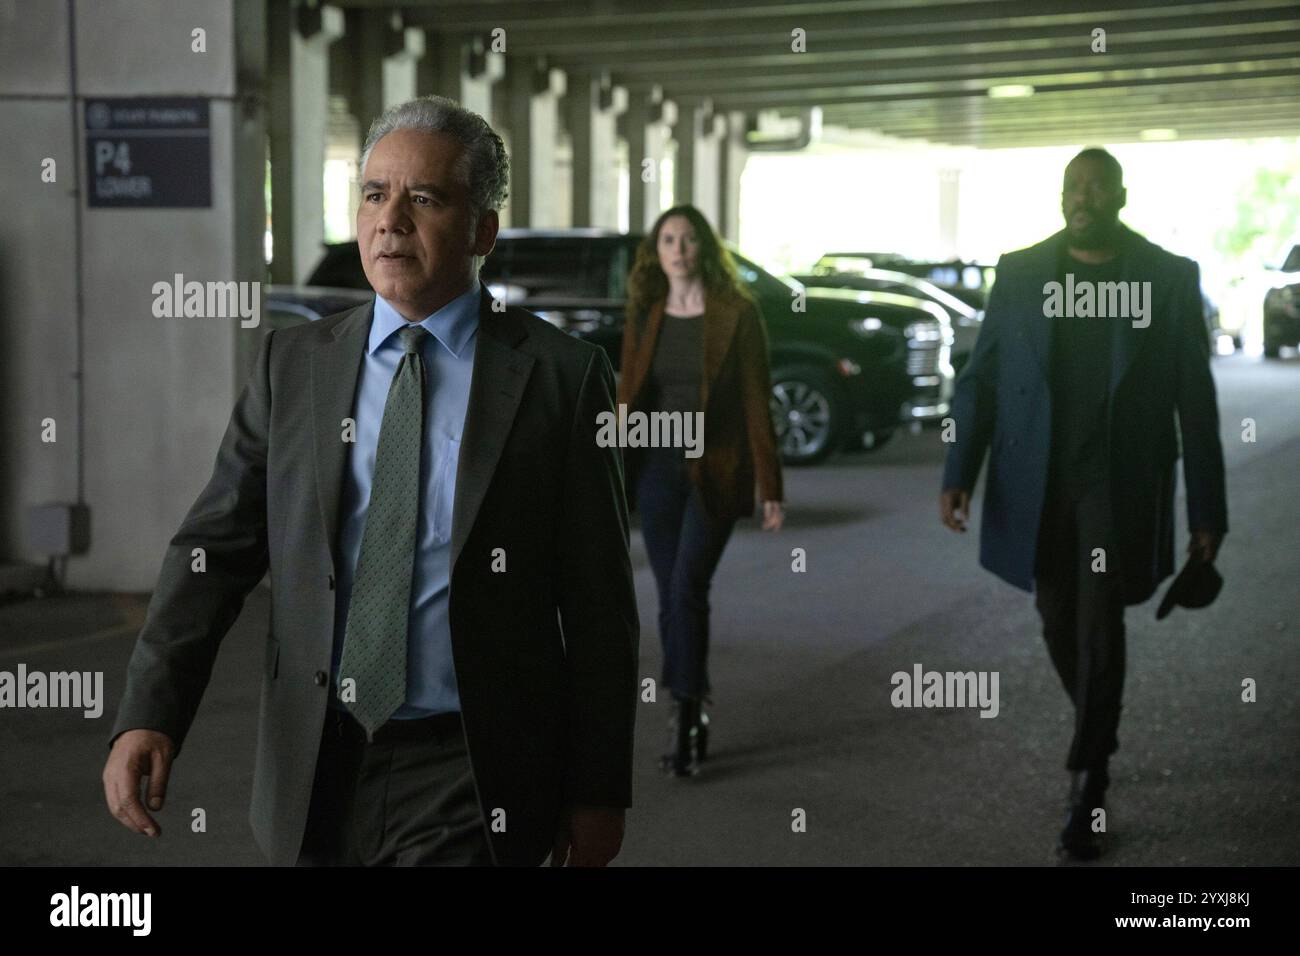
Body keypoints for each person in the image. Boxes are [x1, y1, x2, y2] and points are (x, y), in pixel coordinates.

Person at [101, 95, 639, 867]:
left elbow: (598, 606)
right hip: (315, 762)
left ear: (483, 229)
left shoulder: (559, 377)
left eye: (425, 198)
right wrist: (148, 712)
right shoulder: (294, 366)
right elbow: (212, 550)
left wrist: (596, 790)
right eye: (375, 193)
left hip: (470, 770)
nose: (391, 220)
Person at [939, 147, 1227, 860]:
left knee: (1100, 619)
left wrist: (1207, 513)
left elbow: (1196, 397)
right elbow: (981, 378)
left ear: (1121, 197)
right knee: (1056, 617)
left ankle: (1087, 778)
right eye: (1074, 186)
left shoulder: (1165, 276)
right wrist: (959, 470)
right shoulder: (1023, 272)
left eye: (1098, 187)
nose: (1084, 197)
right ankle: (1098, 728)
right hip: (1036, 481)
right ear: (1062, 196)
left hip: (1117, 483)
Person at [618, 204, 784, 777]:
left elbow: (757, 401)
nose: (679, 249)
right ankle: (687, 700)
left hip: (716, 468)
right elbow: (630, 393)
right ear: (656, 252)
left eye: (689, 240)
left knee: (688, 584)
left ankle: (687, 713)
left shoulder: (738, 313)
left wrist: (771, 486)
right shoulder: (646, 311)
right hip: (657, 469)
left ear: (704, 249)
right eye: (668, 240)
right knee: (669, 595)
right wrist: (610, 472)